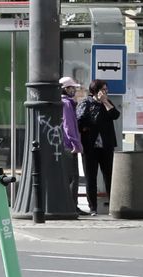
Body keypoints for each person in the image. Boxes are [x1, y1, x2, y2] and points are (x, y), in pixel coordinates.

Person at [76, 79, 120, 215]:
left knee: (109, 176)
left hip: (106, 146)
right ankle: (93, 207)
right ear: (96, 90)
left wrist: (105, 101)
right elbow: (80, 120)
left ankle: (113, 205)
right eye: (103, 90)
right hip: (90, 146)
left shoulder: (107, 103)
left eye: (107, 90)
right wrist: (86, 128)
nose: (105, 92)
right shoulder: (86, 103)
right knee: (91, 177)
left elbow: (115, 115)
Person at [59, 76, 85, 215]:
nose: (74, 90)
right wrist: (76, 143)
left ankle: (70, 205)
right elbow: (69, 126)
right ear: (65, 89)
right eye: (72, 88)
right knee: (73, 177)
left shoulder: (64, 103)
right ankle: (72, 206)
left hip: (64, 144)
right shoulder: (67, 104)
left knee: (68, 176)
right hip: (69, 145)